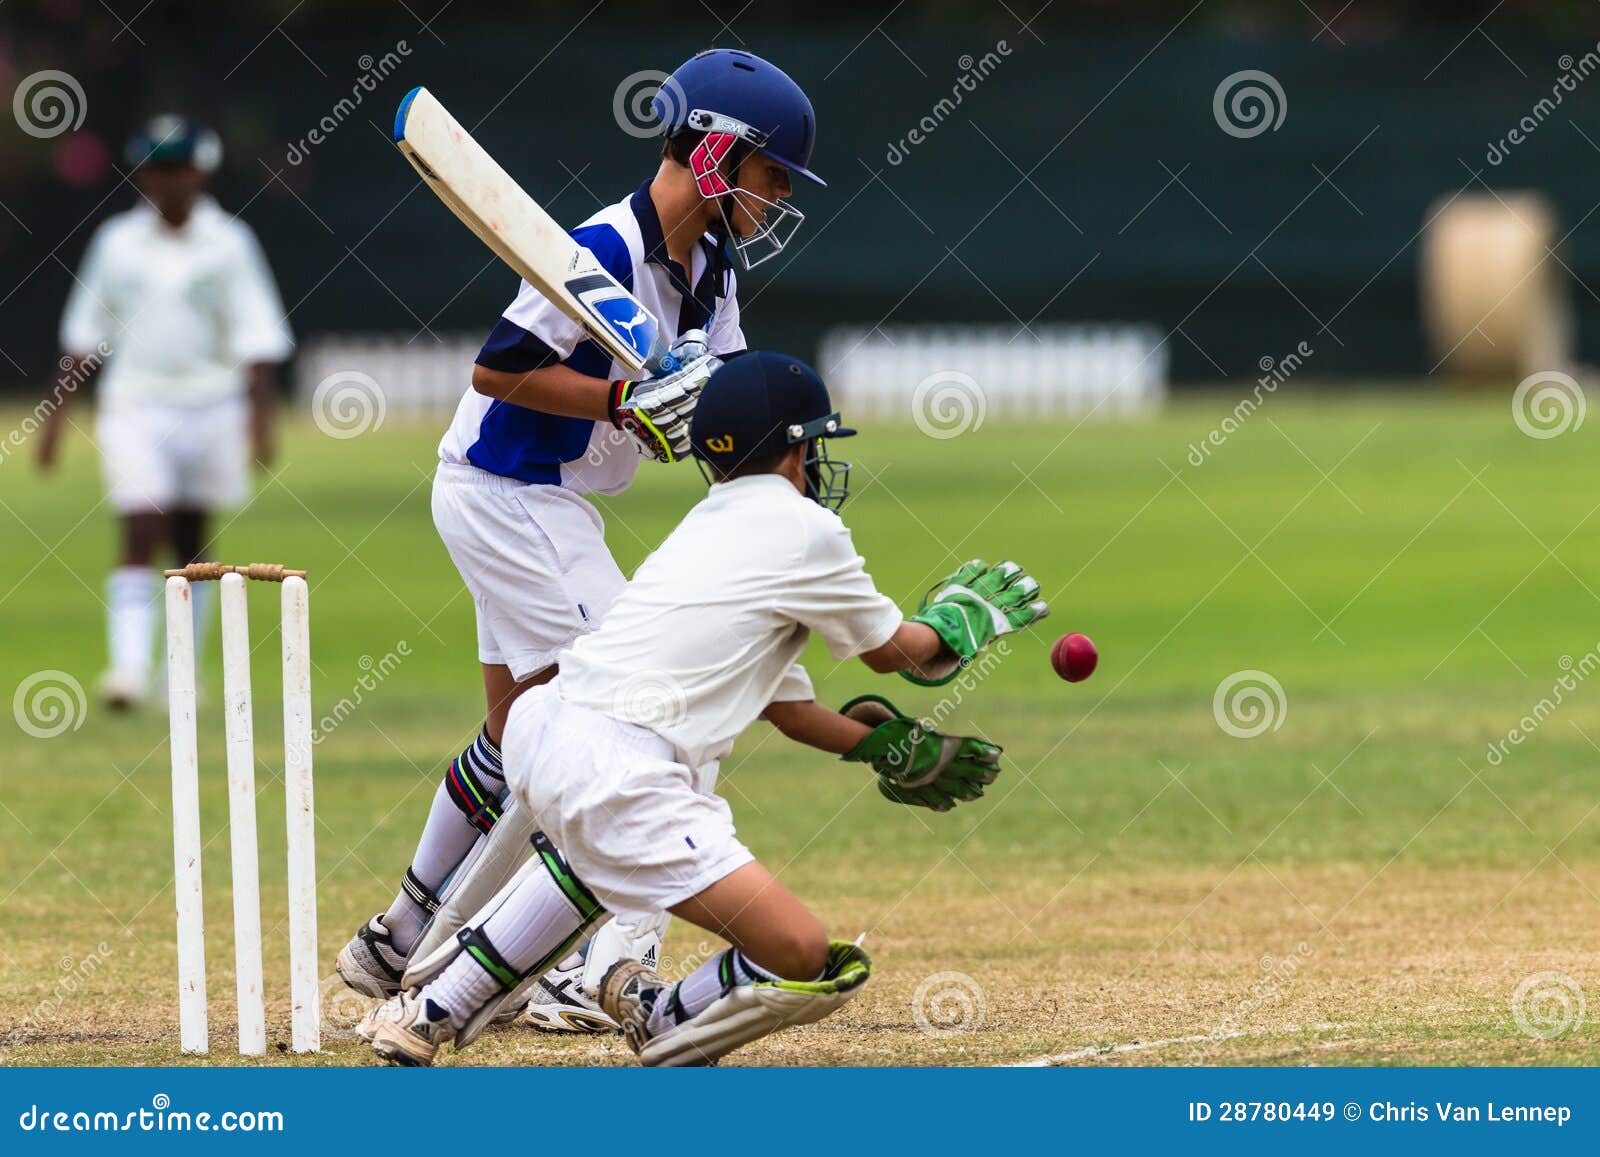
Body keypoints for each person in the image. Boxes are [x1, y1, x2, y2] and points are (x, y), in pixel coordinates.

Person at [359, 351, 1049, 1066]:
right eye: (814, 442)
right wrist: (963, 623)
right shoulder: (805, 531)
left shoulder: (706, 524)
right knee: (809, 955)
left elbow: (788, 710)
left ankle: (431, 1009)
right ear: (796, 448)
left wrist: (877, 748)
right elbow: (895, 653)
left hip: (547, 728)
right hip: (623, 765)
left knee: (603, 854)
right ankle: (666, 1019)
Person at [336, 48, 829, 1034]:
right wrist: (624, 399)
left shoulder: (711, 268)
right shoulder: (599, 248)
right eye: (771, 178)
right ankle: (593, 967)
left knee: (521, 729)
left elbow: (719, 403)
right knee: (640, 720)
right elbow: (498, 370)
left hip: (537, 499)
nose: (775, 201)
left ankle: (395, 937)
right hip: (510, 491)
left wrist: (715, 424)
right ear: (719, 154)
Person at [38, 115, 292, 708]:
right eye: (156, 168)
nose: (168, 181)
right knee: (138, 527)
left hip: (211, 403)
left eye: (178, 168)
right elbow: (85, 333)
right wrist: (54, 421)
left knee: (192, 541)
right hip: (136, 402)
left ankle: (181, 675)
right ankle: (127, 670)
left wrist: (262, 419)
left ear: (198, 172)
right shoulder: (116, 242)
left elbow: (256, 335)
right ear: (143, 174)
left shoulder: (230, 241)